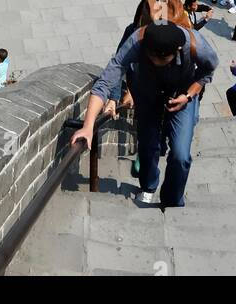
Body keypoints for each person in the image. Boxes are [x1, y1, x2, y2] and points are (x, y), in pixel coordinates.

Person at [74, 20, 219, 209]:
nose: (156, 64)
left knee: (180, 155)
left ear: (176, 50)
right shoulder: (136, 42)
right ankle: (149, 187)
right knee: (148, 144)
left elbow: (208, 70)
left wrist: (189, 95)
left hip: (181, 95)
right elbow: (105, 82)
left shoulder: (195, 45)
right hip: (147, 94)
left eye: (162, 61)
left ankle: (172, 201)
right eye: (152, 59)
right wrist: (88, 126)